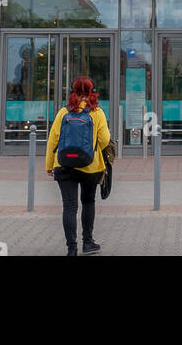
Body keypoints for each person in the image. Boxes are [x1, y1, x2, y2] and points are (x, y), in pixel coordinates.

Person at [44, 76, 110, 256]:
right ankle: (87, 243)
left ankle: (71, 249)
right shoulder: (97, 113)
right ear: (91, 91)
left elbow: (52, 140)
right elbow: (105, 140)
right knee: (88, 202)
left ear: (73, 91)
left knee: (69, 207)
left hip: (64, 165)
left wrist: (49, 165)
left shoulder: (63, 112)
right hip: (90, 166)